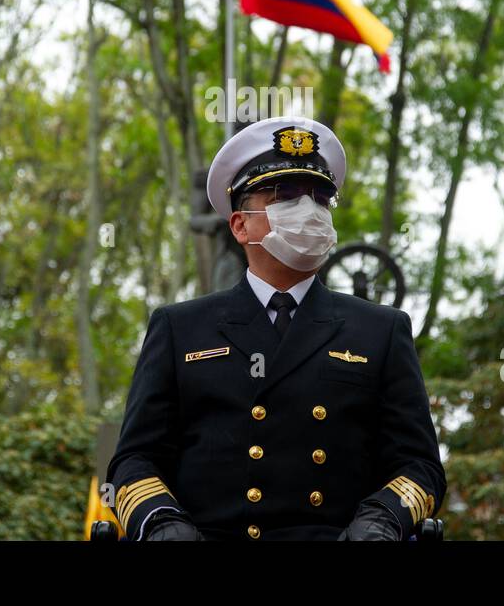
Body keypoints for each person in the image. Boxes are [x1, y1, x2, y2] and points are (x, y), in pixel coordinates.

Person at [106, 116, 446, 540]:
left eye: (321, 198)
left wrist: (382, 519)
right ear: (239, 225)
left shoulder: (381, 330)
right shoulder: (180, 328)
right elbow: (135, 458)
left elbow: (420, 465)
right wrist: (160, 520)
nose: (310, 211)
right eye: (284, 194)